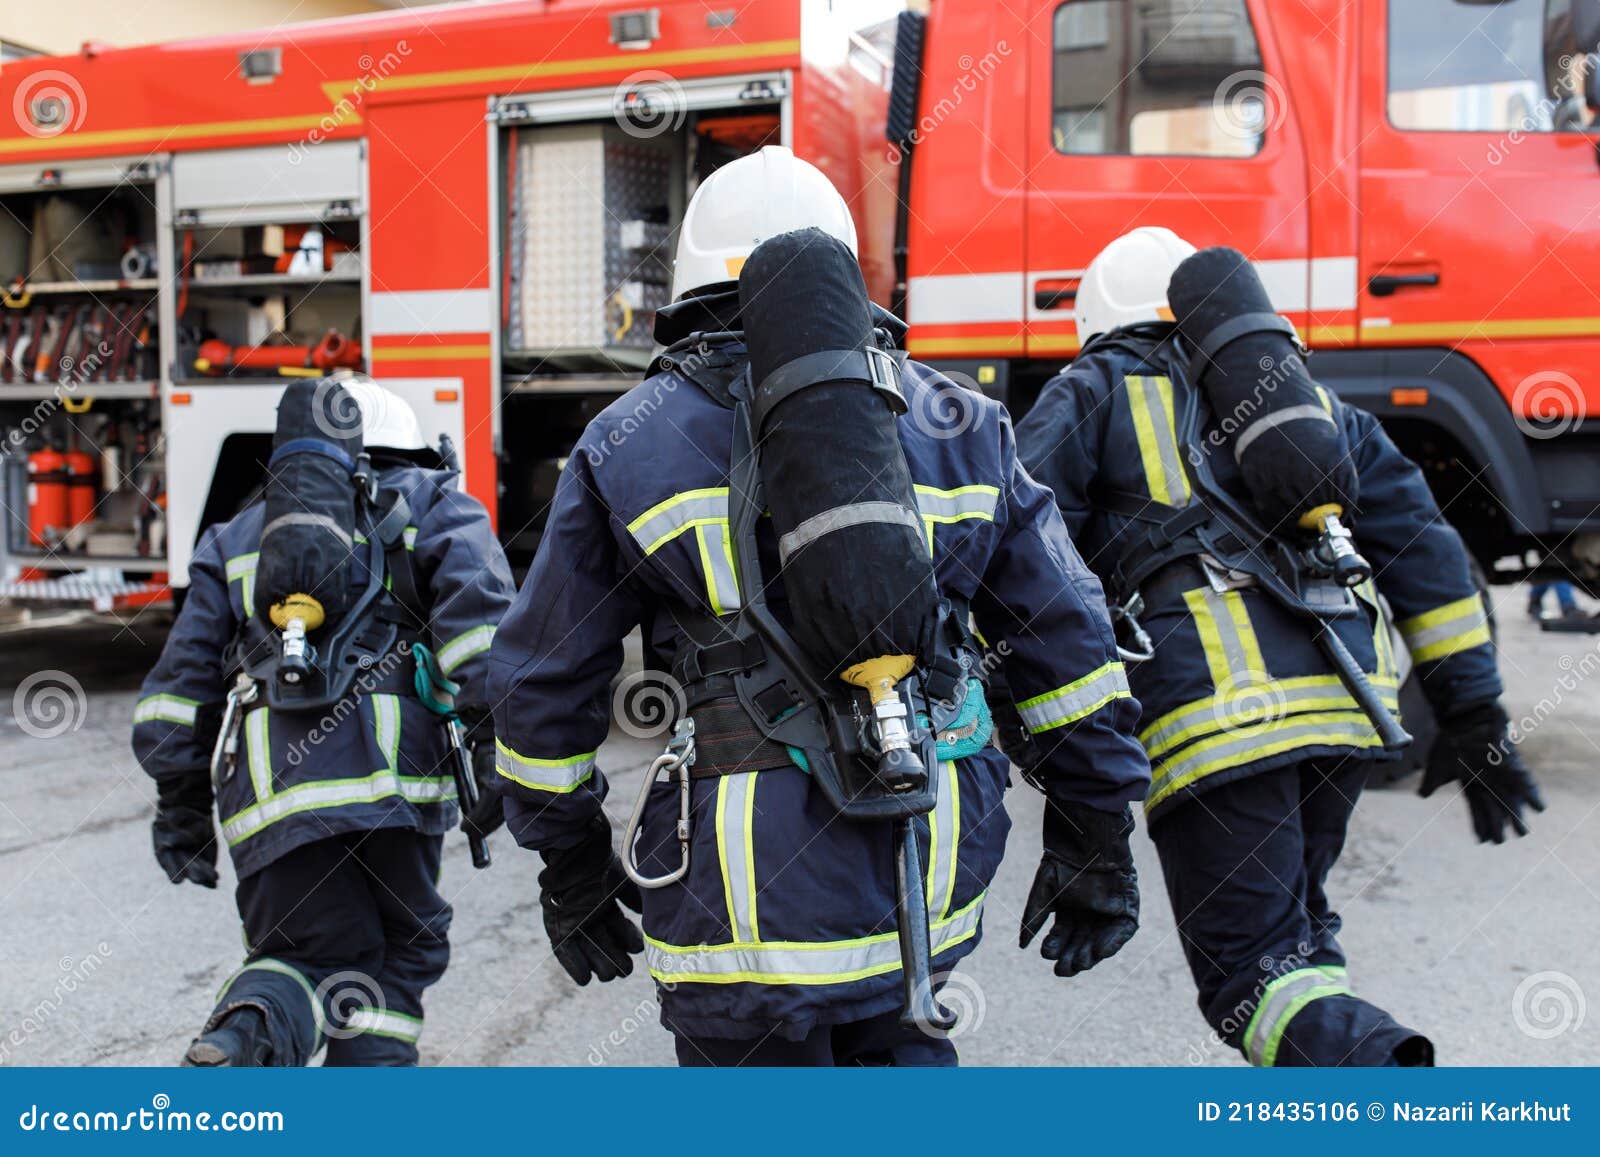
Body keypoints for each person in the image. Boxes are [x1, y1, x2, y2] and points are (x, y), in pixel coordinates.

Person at [487, 146, 1151, 1067]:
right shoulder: (958, 421)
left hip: (739, 907)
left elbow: (543, 685)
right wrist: (1096, 831)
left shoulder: (626, 441)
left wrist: (570, 863)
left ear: (689, 284)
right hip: (923, 871)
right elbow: (1068, 646)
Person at [1014, 226, 1544, 1067]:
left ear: (1100, 322)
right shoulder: (1312, 408)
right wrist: (1473, 711)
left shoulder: (1093, 389)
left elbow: (1024, 566)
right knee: (1297, 950)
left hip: (1220, 724)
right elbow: (1429, 554)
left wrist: (1073, 788)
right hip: (1345, 717)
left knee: (1252, 982)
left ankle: (1393, 1088)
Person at [132, 377, 513, 1066]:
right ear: (407, 446)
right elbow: (486, 633)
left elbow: (178, 690)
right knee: (403, 948)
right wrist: (496, 746)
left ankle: (240, 1037)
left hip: (271, 798)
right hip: (394, 792)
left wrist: (179, 804)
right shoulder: (433, 503)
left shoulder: (234, 536)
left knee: (302, 951)